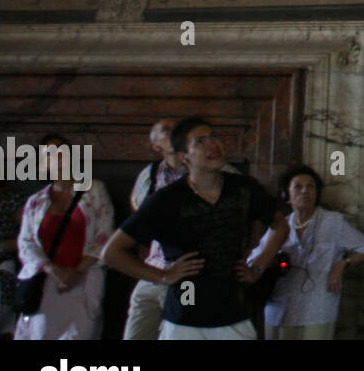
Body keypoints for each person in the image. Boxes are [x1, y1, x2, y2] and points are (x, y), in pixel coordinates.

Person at [101, 117, 288, 339]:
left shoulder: (244, 188)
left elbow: (280, 226)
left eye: (214, 137)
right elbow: (112, 253)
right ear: (184, 157)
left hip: (233, 311)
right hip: (184, 316)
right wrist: (162, 276)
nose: (213, 144)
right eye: (200, 141)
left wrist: (258, 267)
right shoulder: (166, 200)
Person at [122, 119, 240, 340]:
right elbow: (137, 224)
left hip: (194, 276)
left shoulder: (221, 173)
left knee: (185, 331)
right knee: (136, 333)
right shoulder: (150, 175)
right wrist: (157, 271)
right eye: (166, 131)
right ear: (156, 146)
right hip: (156, 270)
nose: (175, 131)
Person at [250, 165, 364, 340]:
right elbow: (254, 257)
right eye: (298, 187)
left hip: (317, 307)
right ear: (287, 195)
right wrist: (270, 261)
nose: (305, 191)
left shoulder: (333, 222)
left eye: (310, 186)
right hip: (281, 306)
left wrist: (342, 264)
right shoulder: (280, 226)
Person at [14, 134, 114, 340]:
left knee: (81, 333)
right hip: (47, 279)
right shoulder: (36, 200)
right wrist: (54, 270)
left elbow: (105, 233)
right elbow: (26, 243)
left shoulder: (93, 189)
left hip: (84, 276)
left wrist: (76, 271)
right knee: (41, 333)